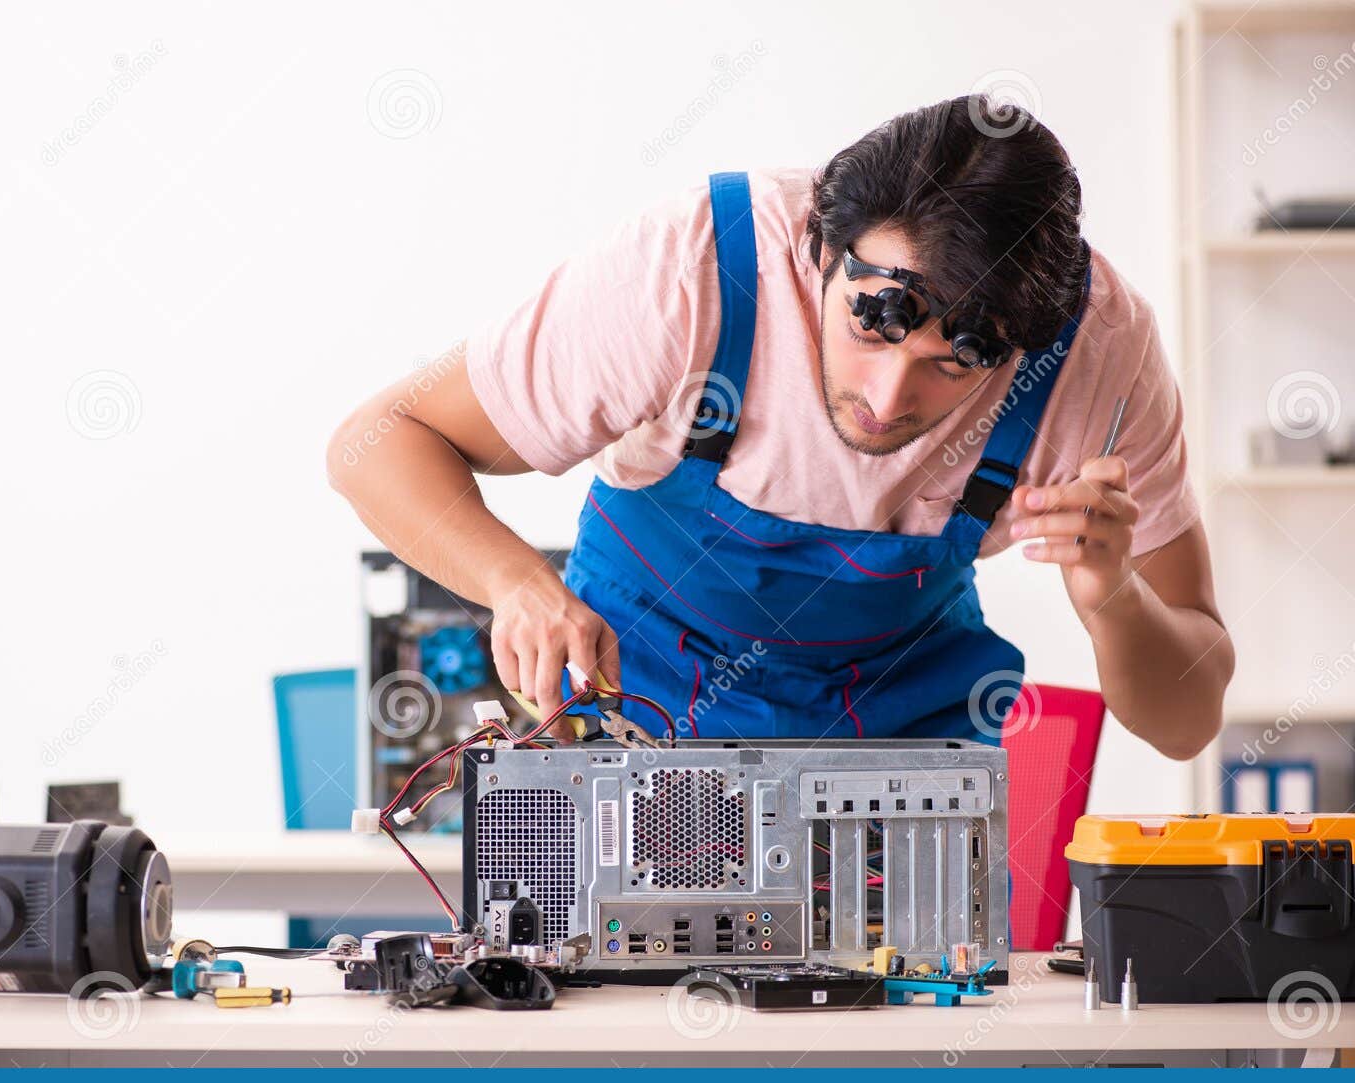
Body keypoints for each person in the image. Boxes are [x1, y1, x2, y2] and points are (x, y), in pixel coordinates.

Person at [328, 96, 1233, 754]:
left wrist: (1113, 596)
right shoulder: (696, 268)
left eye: (954, 361)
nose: (886, 398)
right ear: (822, 247)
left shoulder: (1099, 353)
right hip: (637, 719)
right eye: (873, 320)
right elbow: (377, 441)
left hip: (896, 759)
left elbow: (1188, 725)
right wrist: (515, 580)